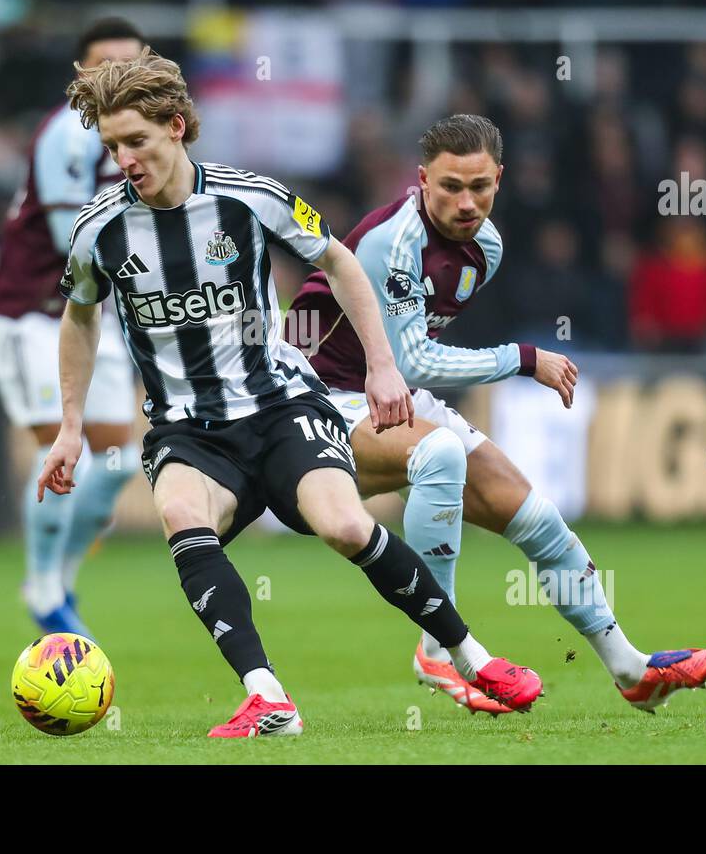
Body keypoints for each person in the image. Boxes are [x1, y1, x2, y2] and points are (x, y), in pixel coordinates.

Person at [38, 49, 541, 738]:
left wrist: (382, 365)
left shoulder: (252, 197)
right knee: (182, 515)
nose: (124, 159)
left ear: (177, 126)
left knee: (343, 526)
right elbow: (80, 315)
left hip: (279, 405)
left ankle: (470, 656)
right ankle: (266, 695)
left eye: (137, 142)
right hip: (188, 430)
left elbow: (338, 262)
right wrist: (70, 425)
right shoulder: (99, 229)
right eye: (112, 146)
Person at [287, 114, 706, 714]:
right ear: (421, 180)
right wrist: (524, 359)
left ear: (500, 179)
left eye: (480, 187)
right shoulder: (395, 240)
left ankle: (630, 669)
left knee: (540, 520)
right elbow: (410, 354)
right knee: (436, 454)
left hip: (389, 396)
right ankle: (439, 651)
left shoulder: (484, 247)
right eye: (450, 187)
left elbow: (409, 359)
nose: (467, 203)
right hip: (311, 397)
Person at [0, 19, 144, 638]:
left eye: (129, 64)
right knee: (63, 451)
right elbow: (69, 242)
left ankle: (62, 579)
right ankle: (43, 585)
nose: (116, 76)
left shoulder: (148, 138)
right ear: (81, 73)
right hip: (34, 314)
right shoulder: (65, 135)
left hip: (90, 317)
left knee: (120, 461)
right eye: (104, 64)